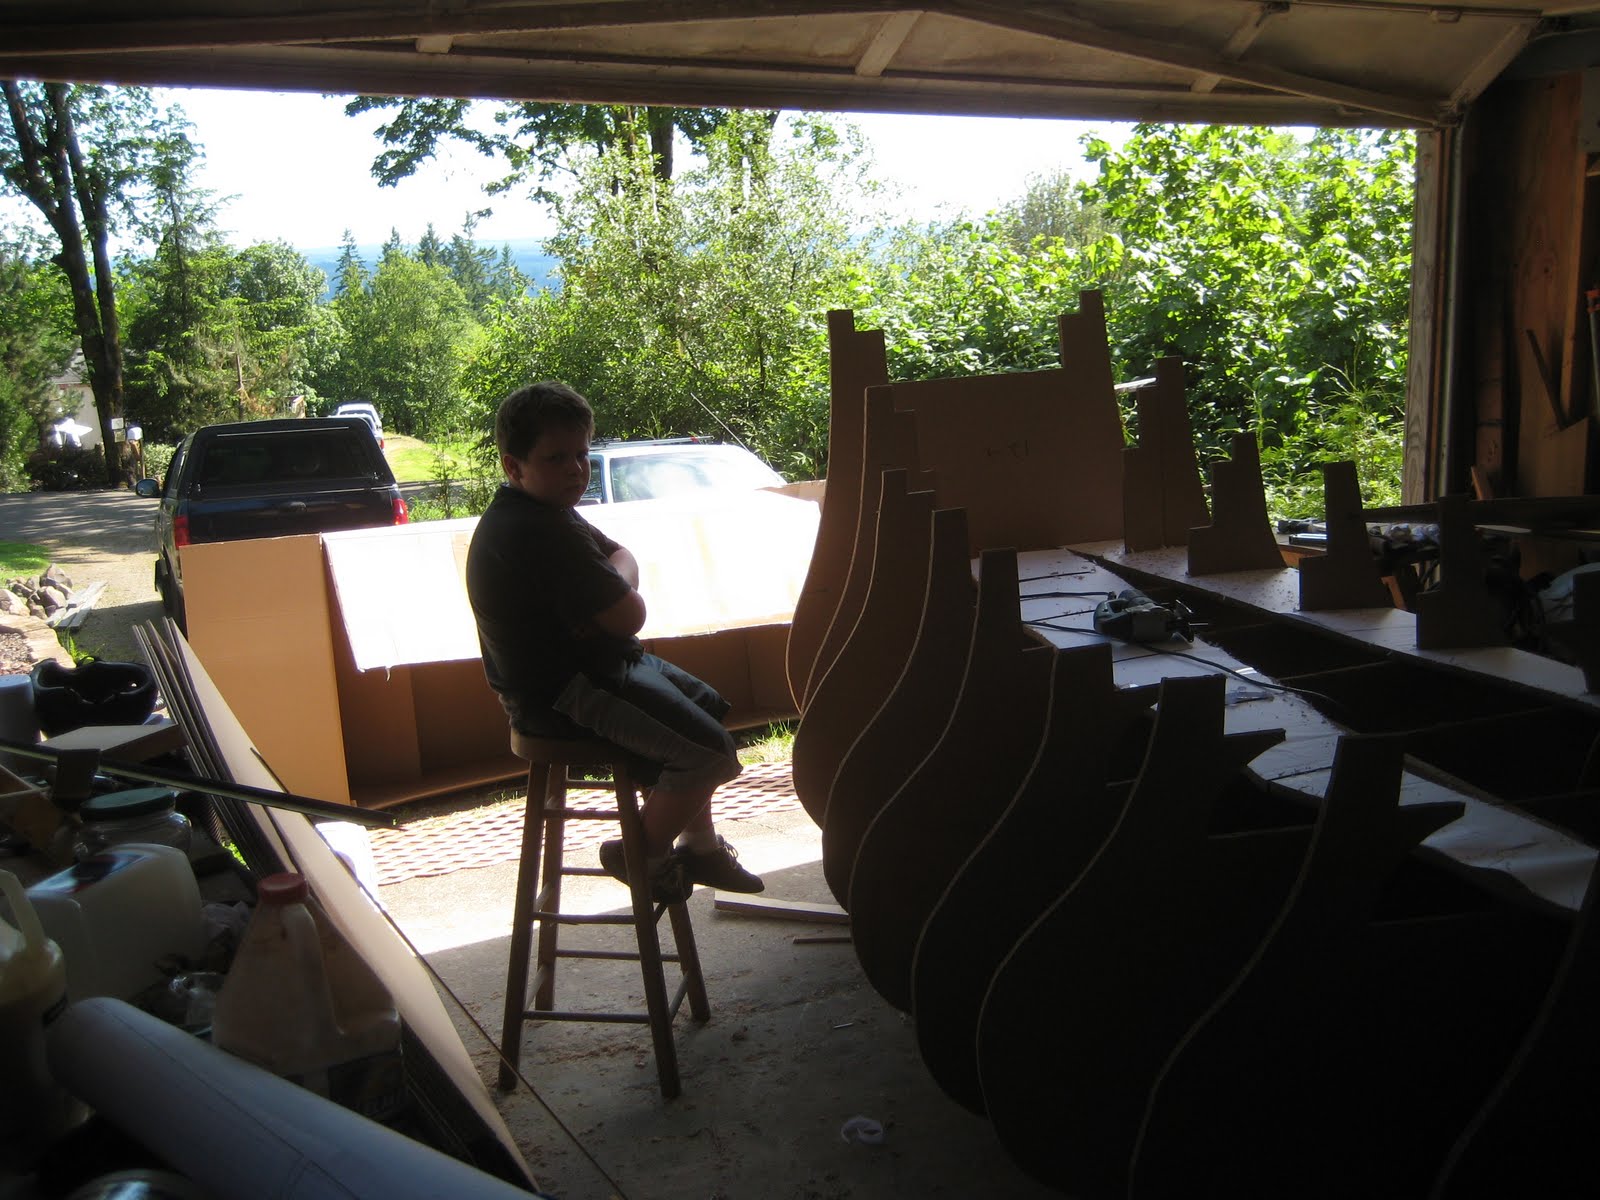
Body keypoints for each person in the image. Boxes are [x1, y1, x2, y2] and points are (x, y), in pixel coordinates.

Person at [465, 380, 764, 902]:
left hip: (599, 666)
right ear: (514, 466)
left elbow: (622, 556)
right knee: (709, 753)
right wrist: (617, 595)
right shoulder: (537, 531)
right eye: (556, 458)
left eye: (582, 454)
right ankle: (640, 853)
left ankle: (699, 846)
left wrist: (614, 589)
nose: (576, 470)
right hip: (563, 694)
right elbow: (631, 616)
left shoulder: (549, 510)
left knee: (706, 707)